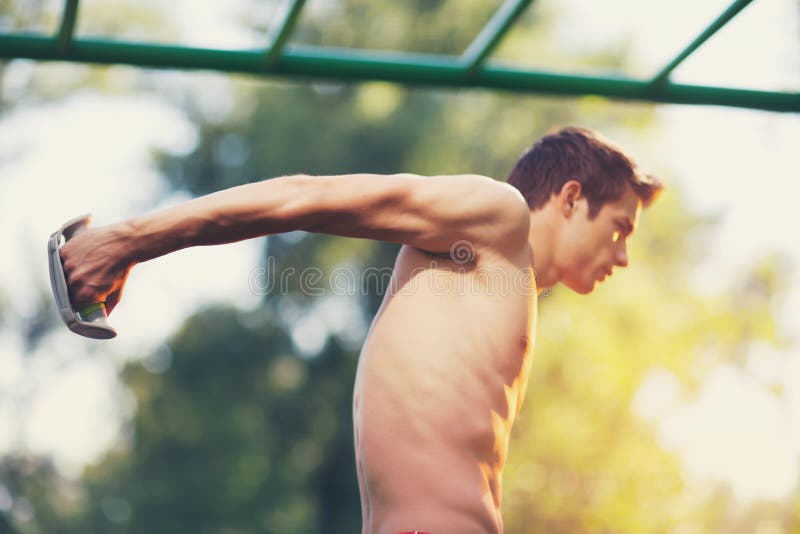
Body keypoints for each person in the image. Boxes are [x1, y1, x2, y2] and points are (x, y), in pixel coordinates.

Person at [59, 126, 662, 534]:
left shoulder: (509, 282)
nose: (624, 255)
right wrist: (127, 241)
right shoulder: (496, 216)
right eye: (620, 227)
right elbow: (305, 197)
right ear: (570, 198)